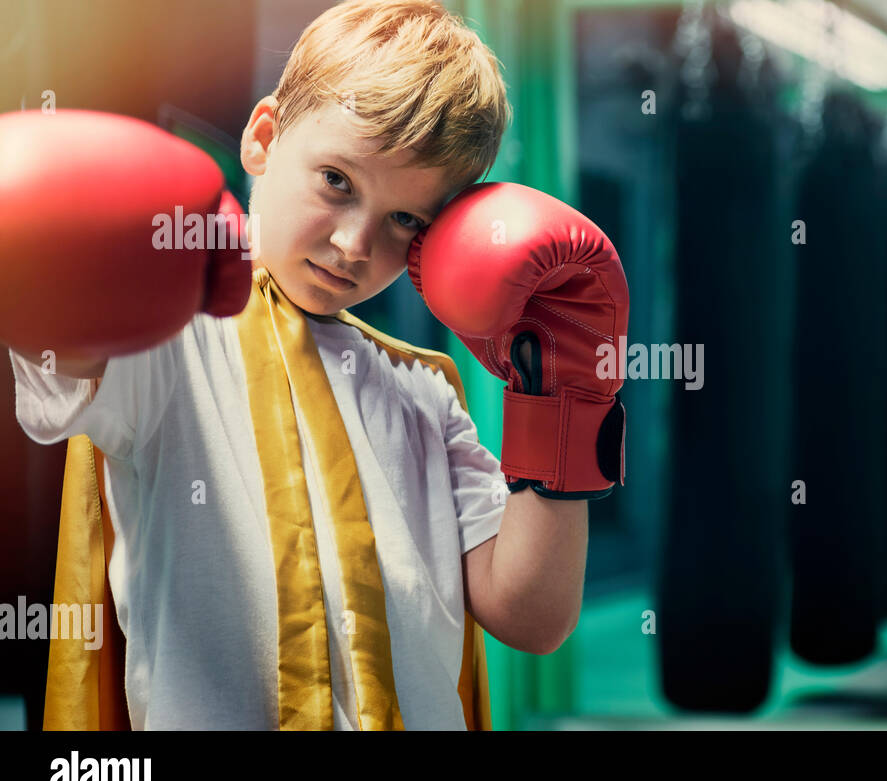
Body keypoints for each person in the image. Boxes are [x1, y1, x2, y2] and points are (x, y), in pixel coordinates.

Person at [0, 0, 628, 729]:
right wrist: (53, 241)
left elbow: (532, 615)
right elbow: (65, 349)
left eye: (407, 220)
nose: (356, 244)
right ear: (263, 139)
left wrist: (563, 393)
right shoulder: (169, 344)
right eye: (337, 181)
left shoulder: (427, 392)